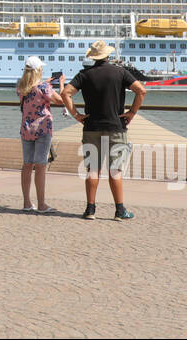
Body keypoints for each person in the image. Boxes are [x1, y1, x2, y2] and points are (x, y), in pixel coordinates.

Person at [61, 40, 147, 221]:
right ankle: (119, 211)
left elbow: (65, 93)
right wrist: (131, 112)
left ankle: (90, 210)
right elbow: (141, 90)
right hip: (116, 127)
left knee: (93, 170)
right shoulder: (120, 72)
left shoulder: (84, 75)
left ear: (93, 56)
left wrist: (76, 114)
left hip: (91, 127)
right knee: (115, 171)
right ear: (107, 55)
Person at [15, 55, 60, 212]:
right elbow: (60, 100)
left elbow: (32, 90)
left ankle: (27, 203)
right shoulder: (44, 89)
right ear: (38, 70)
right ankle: (41, 204)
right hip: (42, 129)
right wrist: (60, 84)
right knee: (40, 166)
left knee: (27, 164)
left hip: (26, 129)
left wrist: (45, 83)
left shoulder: (20, 86)